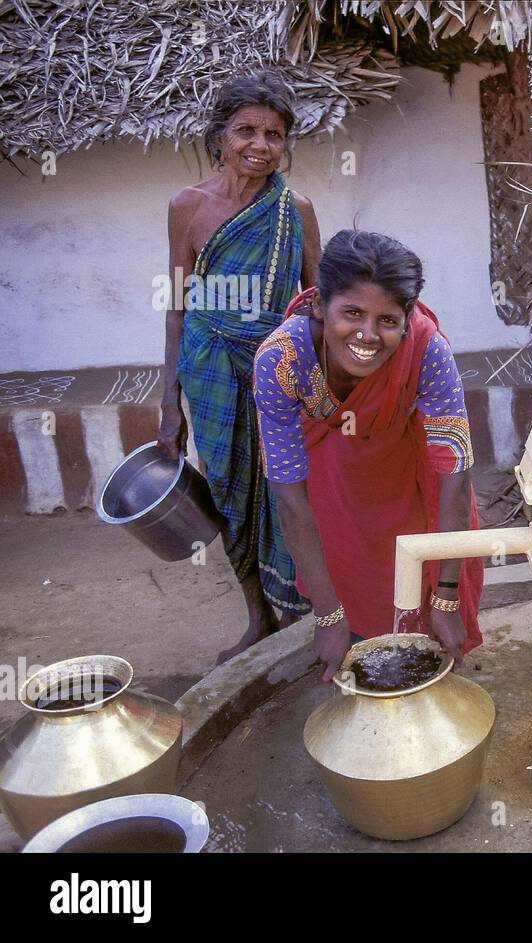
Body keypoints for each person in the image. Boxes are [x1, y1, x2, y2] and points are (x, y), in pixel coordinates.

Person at [252, 230, 485, 682]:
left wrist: (447, 598)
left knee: (417, 571)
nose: (367, 335)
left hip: (407, 470)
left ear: (407, 317)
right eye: (353, 313)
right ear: (320, 304)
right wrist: (325, 615)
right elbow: (289, 496)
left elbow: (455, 470)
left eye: (387, 320)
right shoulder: (280, 361)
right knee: (352, 569)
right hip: (333, 476)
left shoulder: (427, 349)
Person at [158, 72, 322, 662]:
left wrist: (325, 386)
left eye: (274, 134)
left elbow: (317, 304)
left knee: (290, 487)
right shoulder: (187, 207)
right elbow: (177, 307)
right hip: (206, 368)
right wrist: (167, 406)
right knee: (227, 487)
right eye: (245, 130)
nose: (260, 144)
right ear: (219, 136)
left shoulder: (294, 210)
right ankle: (260, 615)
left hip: (275, 370)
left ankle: (311, 611)